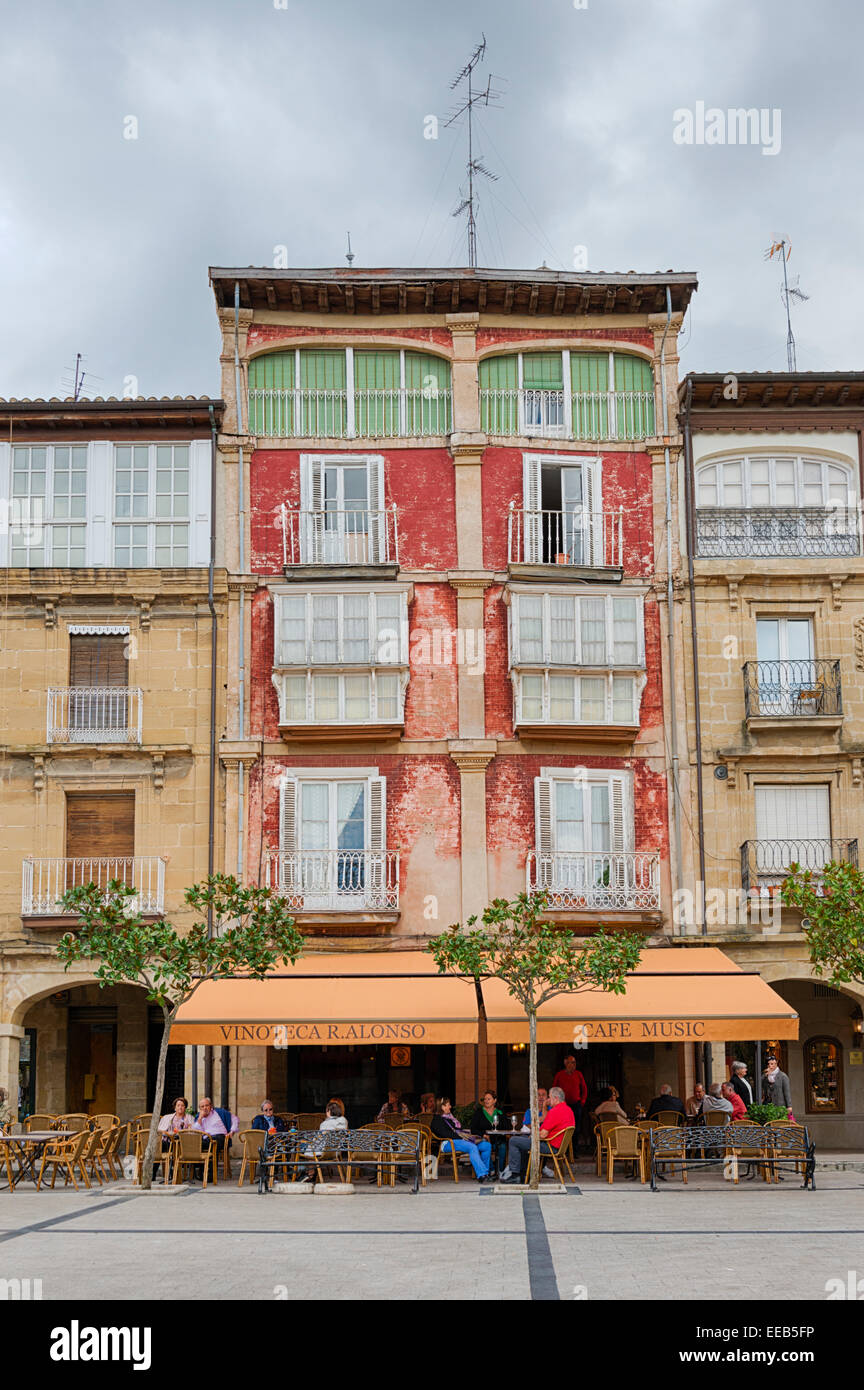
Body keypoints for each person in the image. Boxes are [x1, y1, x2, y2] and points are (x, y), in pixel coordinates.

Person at [500, 1087, 575, 1184]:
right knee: (522, 1140)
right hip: (560, 1147)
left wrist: (533, 1135)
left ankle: (515, 1175)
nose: (548, 1100)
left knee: (514, 1140)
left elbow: (543, 1134)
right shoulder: (569, 1110)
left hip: (550, 1146)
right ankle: (524, 1174)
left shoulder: (555, 1111)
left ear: (556, 1098)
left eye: (549, 1097)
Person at [430, 1098, 491, 1182]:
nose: (450, 1107)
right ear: (443, 1107)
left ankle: (486, 1172)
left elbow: (459, 1130)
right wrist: (462, 1138)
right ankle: (482, 1175)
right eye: (448, 1105)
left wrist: (466, 1137)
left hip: (459, 1141)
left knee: (486, 1146)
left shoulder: (450, 1118)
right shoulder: (437, 1119)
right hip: (446, 1143)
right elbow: (445, 1134)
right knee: (472, 1146)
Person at [552, 1054, 587, 1152]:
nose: (573, 1065)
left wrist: (582, 1101)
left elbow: (584, 1089)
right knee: (563, 1128)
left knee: (575, 1128)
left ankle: (575, 1151)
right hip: (563, 1106)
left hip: (576, 1105)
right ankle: (564, 1150)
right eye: (571, 1062)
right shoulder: (559, 1075)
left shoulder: (578, 1074)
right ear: (565, 1063)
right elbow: (554, 1089)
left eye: (574, 1062)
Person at [470, 1091, 506, 1173]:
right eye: (485, 1099)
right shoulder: (479, 1112)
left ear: (495, 1100)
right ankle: (491, 1169)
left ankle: (501, 1171)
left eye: (489, 1099)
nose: (486, 1101)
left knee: (503, 1145)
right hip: (484, 1139)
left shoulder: (500, 1112)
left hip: (498, 1138)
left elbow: (507, 1127)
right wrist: (483, 1134)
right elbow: (473, 1129)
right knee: (485, 1146)